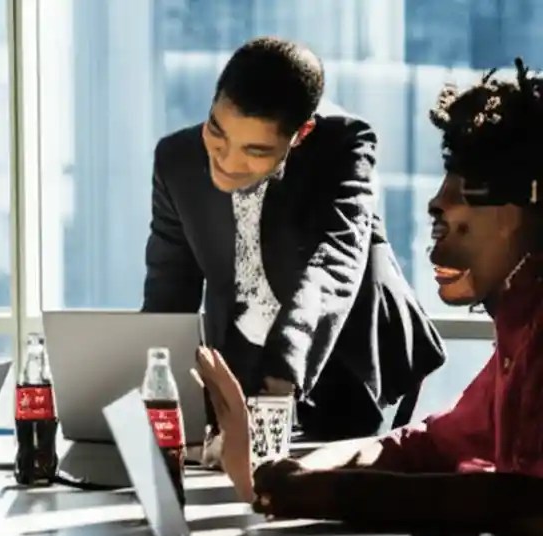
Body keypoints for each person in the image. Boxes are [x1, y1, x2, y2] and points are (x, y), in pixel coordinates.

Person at [196, 57, 543, 526]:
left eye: (463, 185)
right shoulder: (520, 324)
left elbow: (522, 502)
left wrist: (328, 492)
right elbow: (429, 444)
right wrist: (305, 470)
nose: (437, 202)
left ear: (512, 214)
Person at [143, 36, 445, 441]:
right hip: (237, 357)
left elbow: (332, 261)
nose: (228, 163)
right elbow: (168, 288)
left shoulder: (344, 143)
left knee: (324, 489)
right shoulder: (175, 160)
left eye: (255, 149)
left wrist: (283, 374)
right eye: (217, 133)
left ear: (301, 133)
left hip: (340, 358)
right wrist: (155, 384)